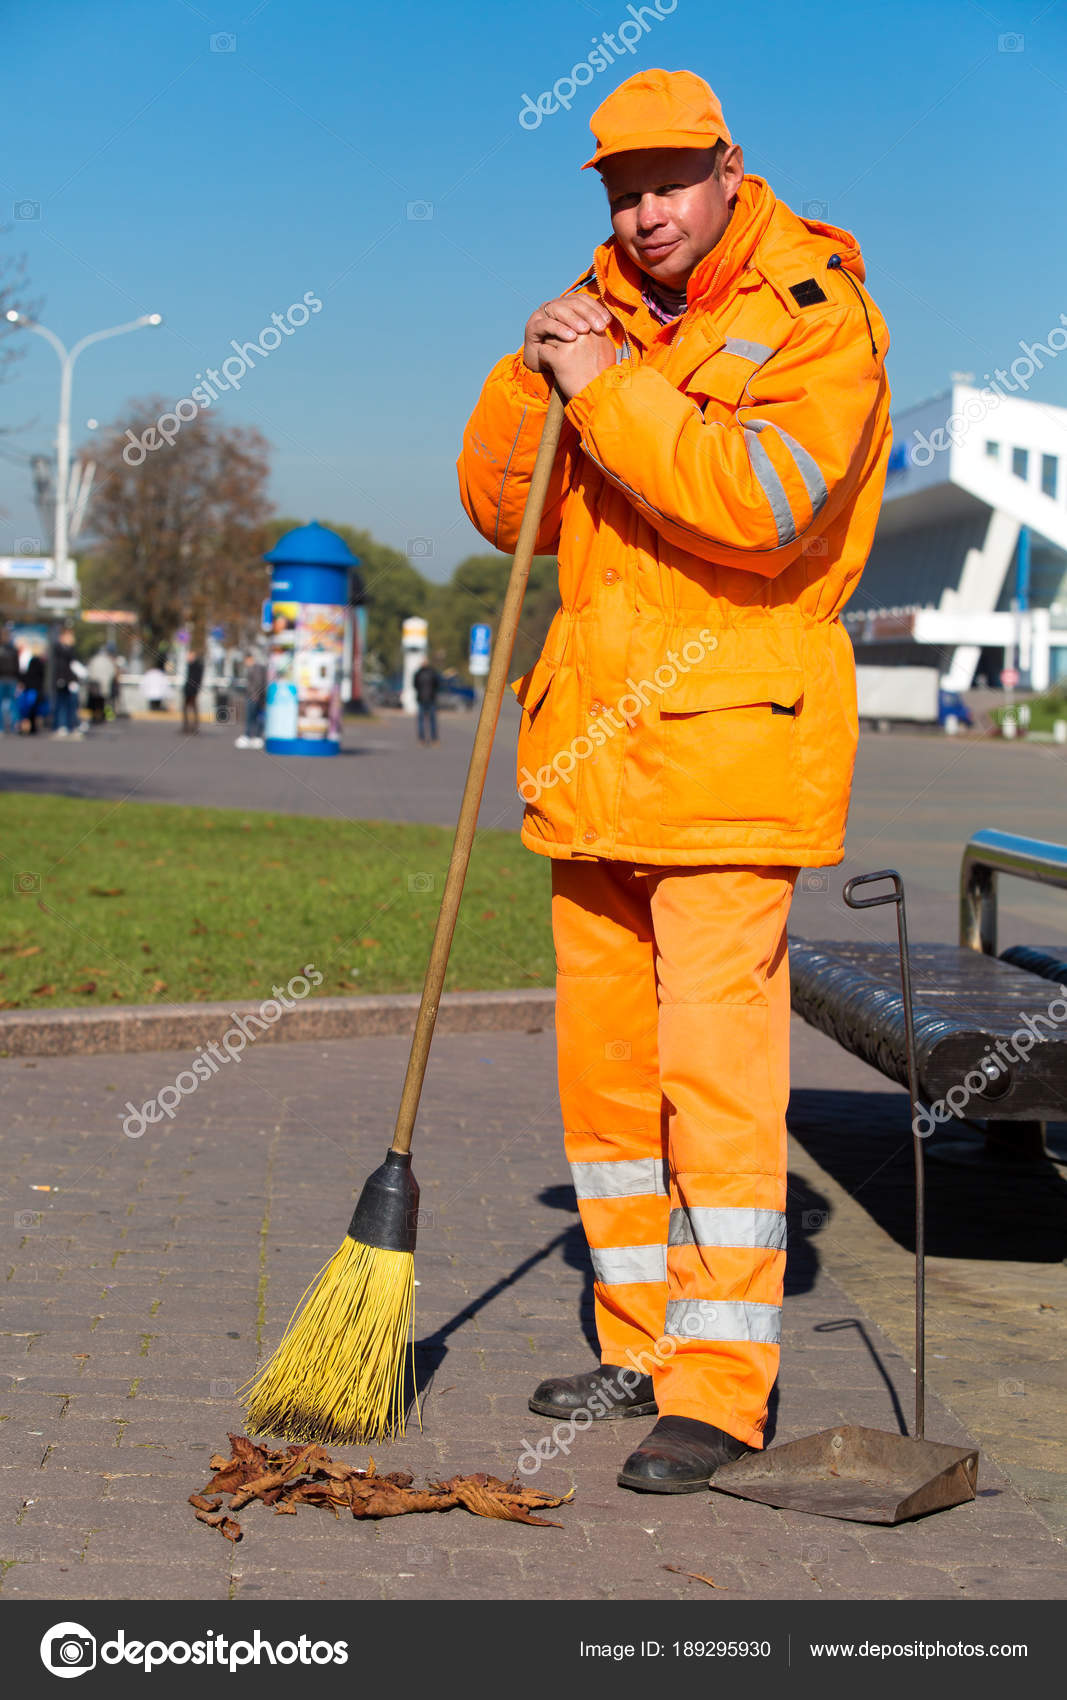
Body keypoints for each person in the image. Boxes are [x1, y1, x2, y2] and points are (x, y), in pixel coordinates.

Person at [457, 69, 891, 1493]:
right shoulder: (599, 316)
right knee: (609, 1081)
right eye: (617, 189)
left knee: (713, 1087)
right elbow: (493, 506)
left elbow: (754, 511)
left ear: (725, 168)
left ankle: (717, 1381)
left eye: (664, 182)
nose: (639, 212)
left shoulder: (814, 319)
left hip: (721, 760)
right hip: (590, 765)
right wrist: (531, 373)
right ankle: (635, 1341)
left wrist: (604, 385)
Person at [51, 626, 81, 737]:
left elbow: (74, 665)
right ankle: (60, 725)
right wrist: (60, 679)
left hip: (70, 681)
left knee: (71, 705)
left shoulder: (71, 649)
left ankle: (70, 725)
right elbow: (61, 666)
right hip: (61, 680)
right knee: (61, 704)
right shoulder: (59, 648)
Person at [236, 649, 266, 749]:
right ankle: (254, 737)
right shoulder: (257, 668)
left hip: (254, 697)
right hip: (256, 696)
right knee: (255, 717)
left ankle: (250, 736)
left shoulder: (255, 668)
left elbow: (258, 682)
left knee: (252, 717)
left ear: (249, 659)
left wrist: (255, 695)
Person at [86, 645, 117, 726]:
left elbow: (89, 672)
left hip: (95, 685)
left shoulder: (94, 660)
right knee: (106, 702)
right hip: (105, 685)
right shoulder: (108, 661)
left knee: (95, 702)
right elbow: (112, 672)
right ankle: (108, 716)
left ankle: (95, 716)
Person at [19, 644, 45, 734]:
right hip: (34, 688)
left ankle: (28, 727)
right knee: (32, 709)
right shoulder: (38, 662)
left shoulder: (31, 661)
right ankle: (31, 727)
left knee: (27, 709)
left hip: (30, 687)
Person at [412, 658, 440, 743]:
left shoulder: (418, 673)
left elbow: (415, 685)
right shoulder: (433, 672)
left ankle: (422, 738)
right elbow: (437, 685)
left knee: (421, 720)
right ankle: (434, 738)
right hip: (431, 698)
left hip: (421, 698)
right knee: (432, 720)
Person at [0, 623, 19, 734]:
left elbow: (16, 665)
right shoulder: (11, 649)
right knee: (10, 703)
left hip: (7, 678)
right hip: (6, 678)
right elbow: (17, 666)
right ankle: (8, 727)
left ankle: (8, 727)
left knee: (11, 703)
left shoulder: (12, 649)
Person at [182, 651, 204, 734]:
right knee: (189, 708)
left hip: (192, 690)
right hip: (191, 689)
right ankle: (189, 726)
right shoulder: (194, 665)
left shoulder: (195, 666)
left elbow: (195, 679)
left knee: (191, 708)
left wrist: (193, 689)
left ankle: (191, 726)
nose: (188, 658)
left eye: (189, 656)